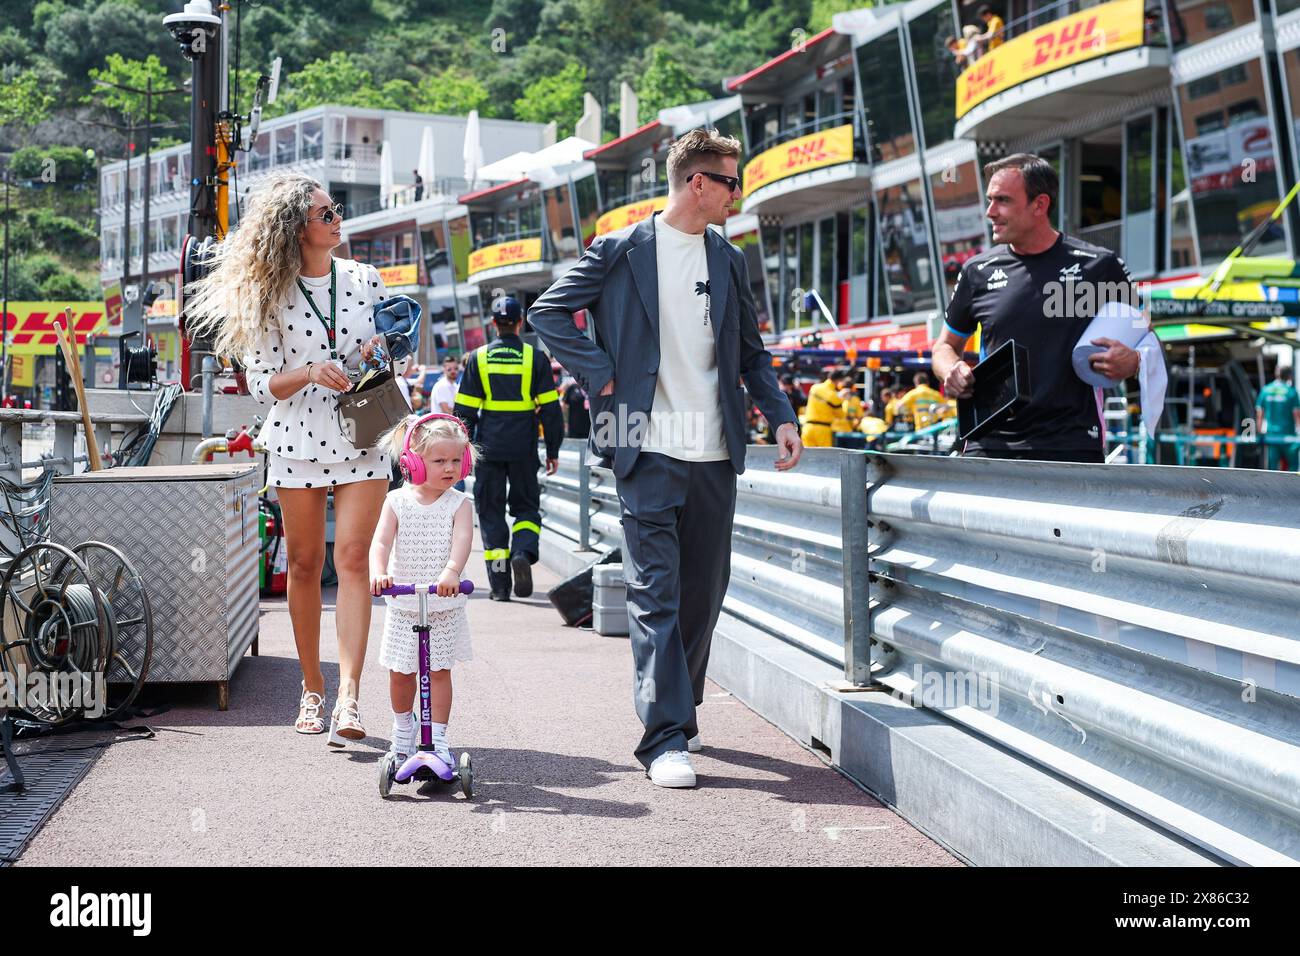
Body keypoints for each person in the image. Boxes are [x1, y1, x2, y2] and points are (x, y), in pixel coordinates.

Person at [527, 127, 803, 788]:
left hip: (714, 449)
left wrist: (783, 414)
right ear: (699, 184)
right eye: (734, 181)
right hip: (644, 443)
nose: (742, 192)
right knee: (654, 591)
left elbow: (750, 353)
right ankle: (663, 736)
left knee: (703, 592)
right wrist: (601, 373)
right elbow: (550, 311)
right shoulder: (622, 250)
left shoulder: (730, 259)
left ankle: (684, 708)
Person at [184, 172, 390, 742]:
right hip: (297, 434)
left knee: (352, 560)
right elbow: (257, 384)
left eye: (337, 209)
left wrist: (378, 350)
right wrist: (307, 372)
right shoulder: (270, 293)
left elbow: (387, 348)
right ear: (297, 228)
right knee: (303, 565)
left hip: (362, 428)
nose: (338, 218)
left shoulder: (365, 279)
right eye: (327, 213)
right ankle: (311, 687)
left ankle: (349, 696)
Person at [932, 153, 1142, 462]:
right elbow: (944, 347)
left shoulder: (1099, 265)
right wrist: (951, 369)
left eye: (1002, 200)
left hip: (1070, 446)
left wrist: (1133, 361)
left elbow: (1148, 338)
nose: (990, 212)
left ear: (1039, 204)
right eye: (989, 200)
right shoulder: (978, 271)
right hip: (989, 446)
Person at [369, 413, 476, 768]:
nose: (449, 468)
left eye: (455, 461)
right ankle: (403, 730)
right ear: (413, 463)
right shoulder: (396, 501)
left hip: (442, 604)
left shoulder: (459, 504)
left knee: (438, 671)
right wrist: (379, 571)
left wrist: (452, 571)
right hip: (403, 603)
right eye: (439, 460)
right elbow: (381, 542)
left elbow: (462, 541)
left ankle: (439, 739)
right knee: (401, 672)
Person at [454, 296, 564, 601]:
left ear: (493, 324)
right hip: (524, 449)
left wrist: (462, 453)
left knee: (490, 513)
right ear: (520, 323)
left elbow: (463, 414)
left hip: (488, 449)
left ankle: (500, 586)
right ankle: (523, 551)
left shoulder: (478, 358)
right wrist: (553, 450)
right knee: (526, 508)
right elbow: (552, 411)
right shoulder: (535, 358)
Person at [1256, 366, 1300, 470]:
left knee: (1272, 468)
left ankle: (1272, 487)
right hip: (1289, 437)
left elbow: (1259, 413)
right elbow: (1297, 416)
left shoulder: (1266, 390)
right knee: (1293, 467)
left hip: (1272, 436)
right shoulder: (1291, 392)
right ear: (1289, 376)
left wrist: (1259, 432)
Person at [802, 367, 853, 447]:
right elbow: (841, 415)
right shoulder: (834, 397)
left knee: (807, 457)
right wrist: (842, 398)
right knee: (824, 458)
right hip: (823, 430)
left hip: (807, 428)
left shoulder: (814, 388)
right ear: (838, 381)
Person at [563, 372, 591, 439]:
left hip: (590, 428)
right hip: (574, 428)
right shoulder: (572, 388)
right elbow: (565, 406)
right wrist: (565, 422)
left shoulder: (593, 388)